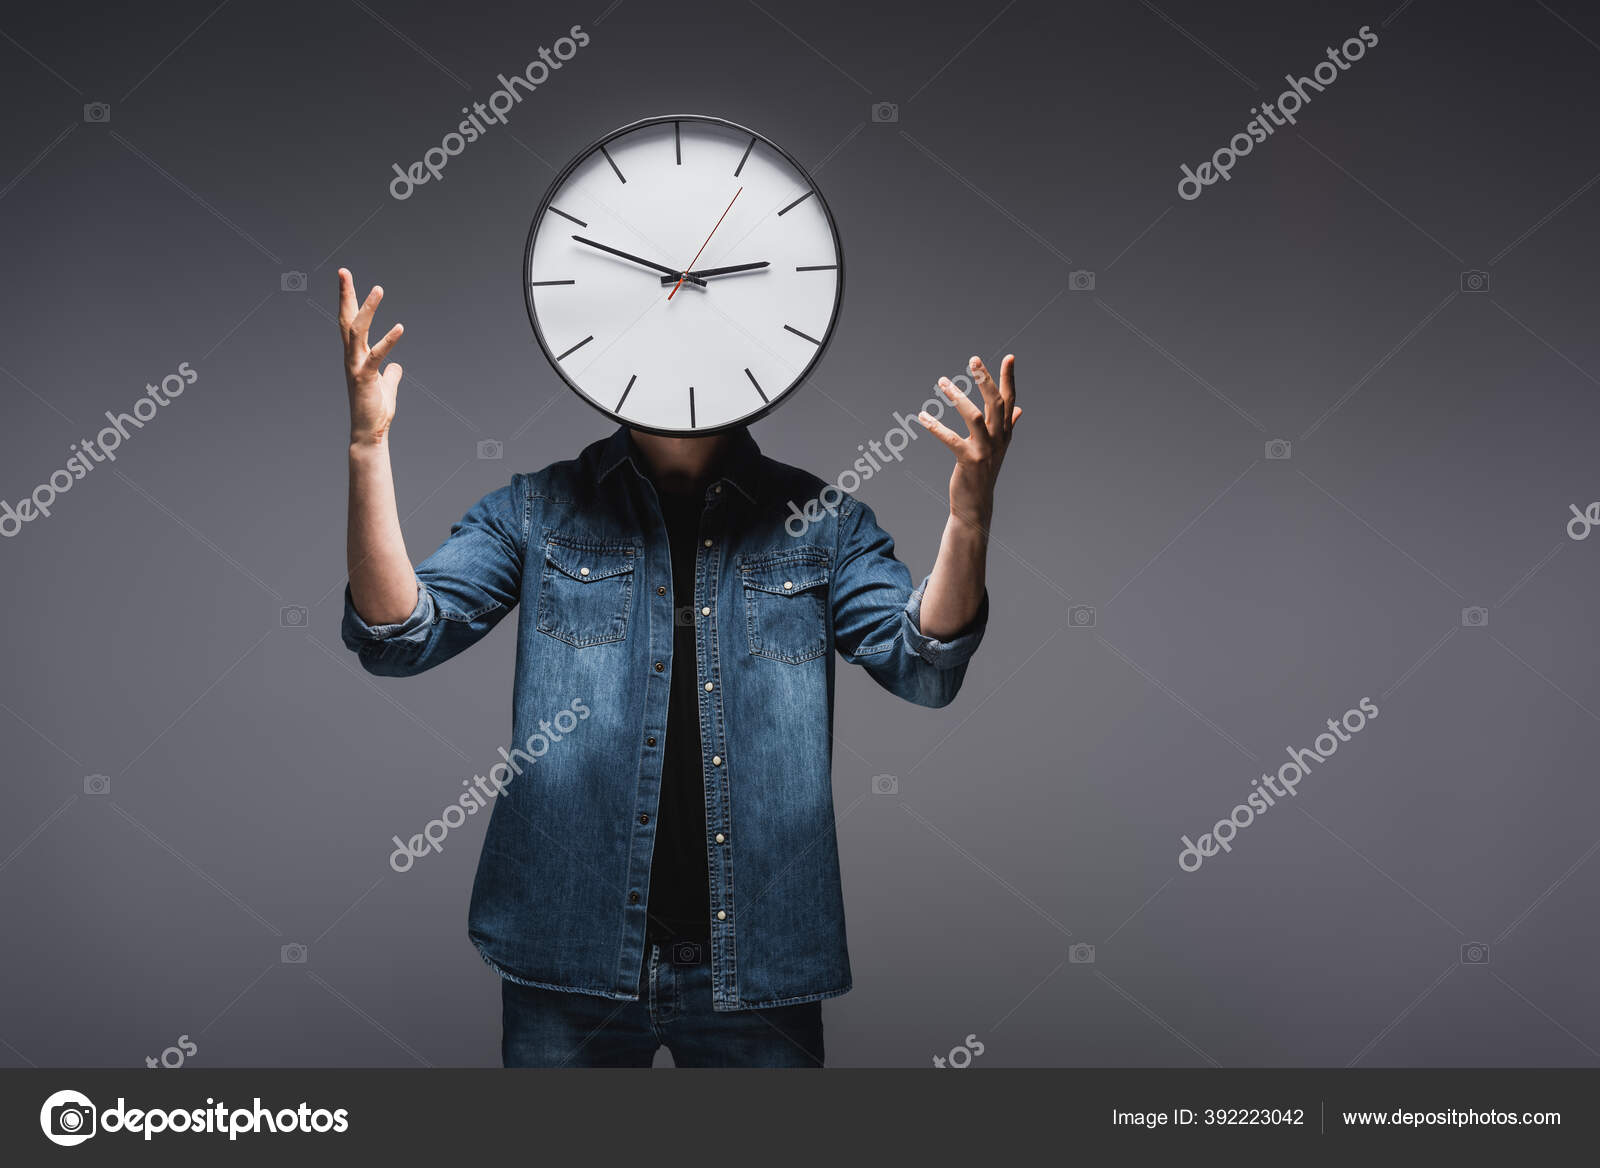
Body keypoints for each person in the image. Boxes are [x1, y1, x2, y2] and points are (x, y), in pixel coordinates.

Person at [336, 268, 1021, 1066]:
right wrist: (366, 449)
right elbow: (397, 638)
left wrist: (970, 518)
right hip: (567, 958)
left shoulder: (824, 526)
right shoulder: (536, 510)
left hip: (758, 966)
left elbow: (924, 666)